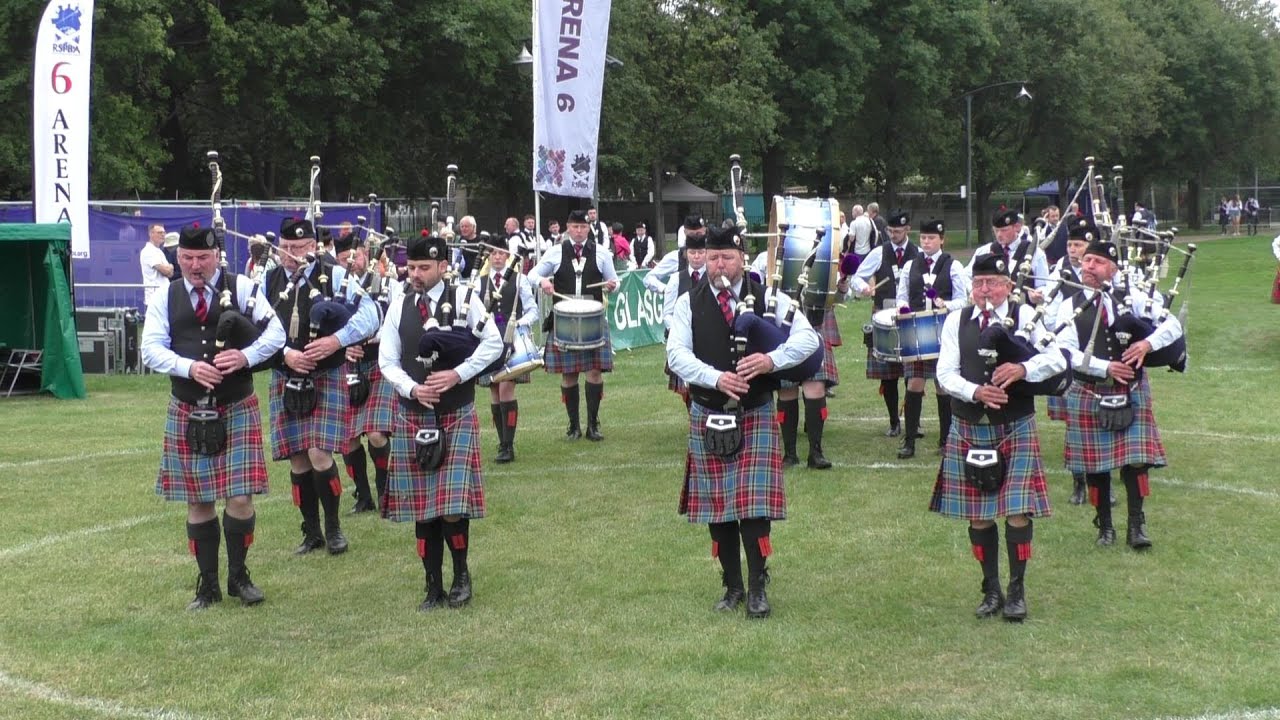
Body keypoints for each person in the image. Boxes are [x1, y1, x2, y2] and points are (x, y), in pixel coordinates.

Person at [666, 224, 820, 619]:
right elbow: (677, 355)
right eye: (713, 258)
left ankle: (756, 587)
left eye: (727, 258)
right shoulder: (689, 301)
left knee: (753, 510)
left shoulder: (767, 295)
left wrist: (771, 360)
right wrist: (716, 377)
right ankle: (731, 586)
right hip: (708, 411)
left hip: (754, 412)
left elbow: (808, 340)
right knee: (718, 511)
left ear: (741, 258)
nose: (720, 265)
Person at [141, 223, 286, 610]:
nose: (195, 266)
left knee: (239, 497)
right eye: (187, 258)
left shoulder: (242, 288)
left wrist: (245, 357)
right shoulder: (165, 297)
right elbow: (150, 349)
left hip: (236, 405)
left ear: (216, 256)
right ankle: (207, 585)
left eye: (202, 258)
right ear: (178, 258)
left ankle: (239, 576)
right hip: (189, 408)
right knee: (198, 500)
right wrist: (188, 367)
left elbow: (276, 334)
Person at [929, 252, 1066, 622]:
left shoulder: (1025, 316)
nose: (984, 290)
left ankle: (1017, 590)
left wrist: (1023, 367)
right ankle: (990, 589)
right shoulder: (956, 321)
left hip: (1015, 424)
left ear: (1008, 285)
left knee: (1018, 512)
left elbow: (1057, 359)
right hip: (970, 425)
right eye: (978, 283)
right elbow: (945, 373)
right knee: (978, 516)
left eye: (992, 283)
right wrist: (976, 392)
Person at [378, 231, 504, 611]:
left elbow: (494, 344)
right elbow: (387, 360)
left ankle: (461, 575)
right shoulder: (398, 306)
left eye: (423, 267)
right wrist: (412, 389)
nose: (415, 274)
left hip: (455, 412)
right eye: (411, 267)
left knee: (451, 505)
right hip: (414, 414)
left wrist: (457, 375)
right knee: (422, 509)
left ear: (443, 267)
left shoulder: (465, 300)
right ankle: (432, 584)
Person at [1055, 229, 1182, 550]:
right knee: (1095, 465)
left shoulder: (1133, 297)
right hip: (1089, 391)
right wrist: (1104, 367)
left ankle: (1136, 524)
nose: (1089, 266)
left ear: (1113, 267)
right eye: (1086, 260)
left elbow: (1173, 325)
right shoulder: (1068, 304)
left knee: (1137, 461)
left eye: (1097, 262)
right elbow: (1064, 350)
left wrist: (1146, 343)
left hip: (1131, 389)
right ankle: (1105, 525)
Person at [263, 218, 380, 556]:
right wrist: (286, 354)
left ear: (313, 247)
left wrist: (335, 342)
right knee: (298, 459)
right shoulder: (267, 280)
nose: (291, 255)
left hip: (325, 374)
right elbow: (253, 326)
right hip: (285, 374)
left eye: (299, 248)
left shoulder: (336, 276)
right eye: (285, 248)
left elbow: (370, 314)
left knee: (318, 452)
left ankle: (333, 527)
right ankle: (310, 531)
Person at [529, 209, 620, 440]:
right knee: (569, 374)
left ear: (589, 228)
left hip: (593, 318)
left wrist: (612, 286)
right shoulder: (555, 252)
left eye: (583, 227)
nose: (579, 231)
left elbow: (615, 280)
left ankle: (592, 424)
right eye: (575, 227)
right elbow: (531, 274)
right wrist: (543, 282)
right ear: (568, 227)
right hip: (564, 319)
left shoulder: (601, 253)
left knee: (594, 372)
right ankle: (573, 426)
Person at [892, 219, 969, 458]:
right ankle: (910, 441)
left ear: (942, 239)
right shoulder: (910, 266)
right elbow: (902, 297)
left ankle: (946, 439)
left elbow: (964, 301)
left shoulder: (953, 265)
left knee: (943, 385)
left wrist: (944, 304)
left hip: (945, 333)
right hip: (917, 332)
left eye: (931, 238)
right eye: (923, 238)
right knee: (914, 382)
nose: (926, 242)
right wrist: (903, 308)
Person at [336, 233, 396, 514]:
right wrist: (345, 346)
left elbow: (394, 320)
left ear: (365, 255)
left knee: (374, 433)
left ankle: (386, 490)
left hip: (379, 361)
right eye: (344, 259)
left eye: (355, 256)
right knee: (347, 438)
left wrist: (367, 339)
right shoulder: (335, 288)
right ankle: (363, 495)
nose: (352, 262)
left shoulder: (388, 285)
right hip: (346, 364)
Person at [851, 210, 918, 436]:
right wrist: (864, 288)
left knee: (913, 373)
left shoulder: (917, 253)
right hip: (883, 316)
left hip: (910, 318)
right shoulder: (880, 252)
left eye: (897, 231)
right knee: (889, 376)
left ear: (907, 229)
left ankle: (913, 420)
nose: (893, 235)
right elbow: (856, 277)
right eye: (890, 231)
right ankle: (893, 422)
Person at [477, 242, 539, 463]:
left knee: (506, 388)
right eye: (493, 253)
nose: (497, 257)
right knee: (494, 390)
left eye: (501, 253)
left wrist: (518, 324)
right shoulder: (480, 282)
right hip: (489, 342)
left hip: (512, 341)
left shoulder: (519, 280)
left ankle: (508, 445)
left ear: (508, 256)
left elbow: (534, 311)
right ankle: (502, 442)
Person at [662, 229, 708, 409]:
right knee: (687, 387)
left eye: (701, 252)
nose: (696, 257)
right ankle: (694, 416)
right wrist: (680, 332)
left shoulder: (714, 278)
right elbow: (667, 313)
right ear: (685, 254)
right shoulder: (675, 280)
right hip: (683, 340)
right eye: (692, 253)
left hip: (708, 339)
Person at [968, 209, 1050, 300]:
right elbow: (966, 276)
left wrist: (1037, 294)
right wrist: (973, 291)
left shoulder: (1034, 253)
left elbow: (1043, 284)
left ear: (1017, 227)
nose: (999, 235)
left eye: (1004, 230)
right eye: (996, 230)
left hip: (1022, 310)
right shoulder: (985, 251)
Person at [643, 216, 705, 295]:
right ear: (685, 233)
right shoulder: (675, 258)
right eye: (692, 235)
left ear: (704, 232)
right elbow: (648, 278)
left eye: (699, 234)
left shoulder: (713, 256)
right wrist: (667, 290)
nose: (696, 239)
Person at [140, 223, 174, 307]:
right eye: (159, 233)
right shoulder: (148, 251)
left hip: (163, 297)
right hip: (154, 299)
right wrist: (171, 266)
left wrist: (169, 268)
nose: (163, 235)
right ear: (151, 234)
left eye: (164, 232)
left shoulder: (159, 251)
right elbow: (166, 271)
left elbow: (170, 274)